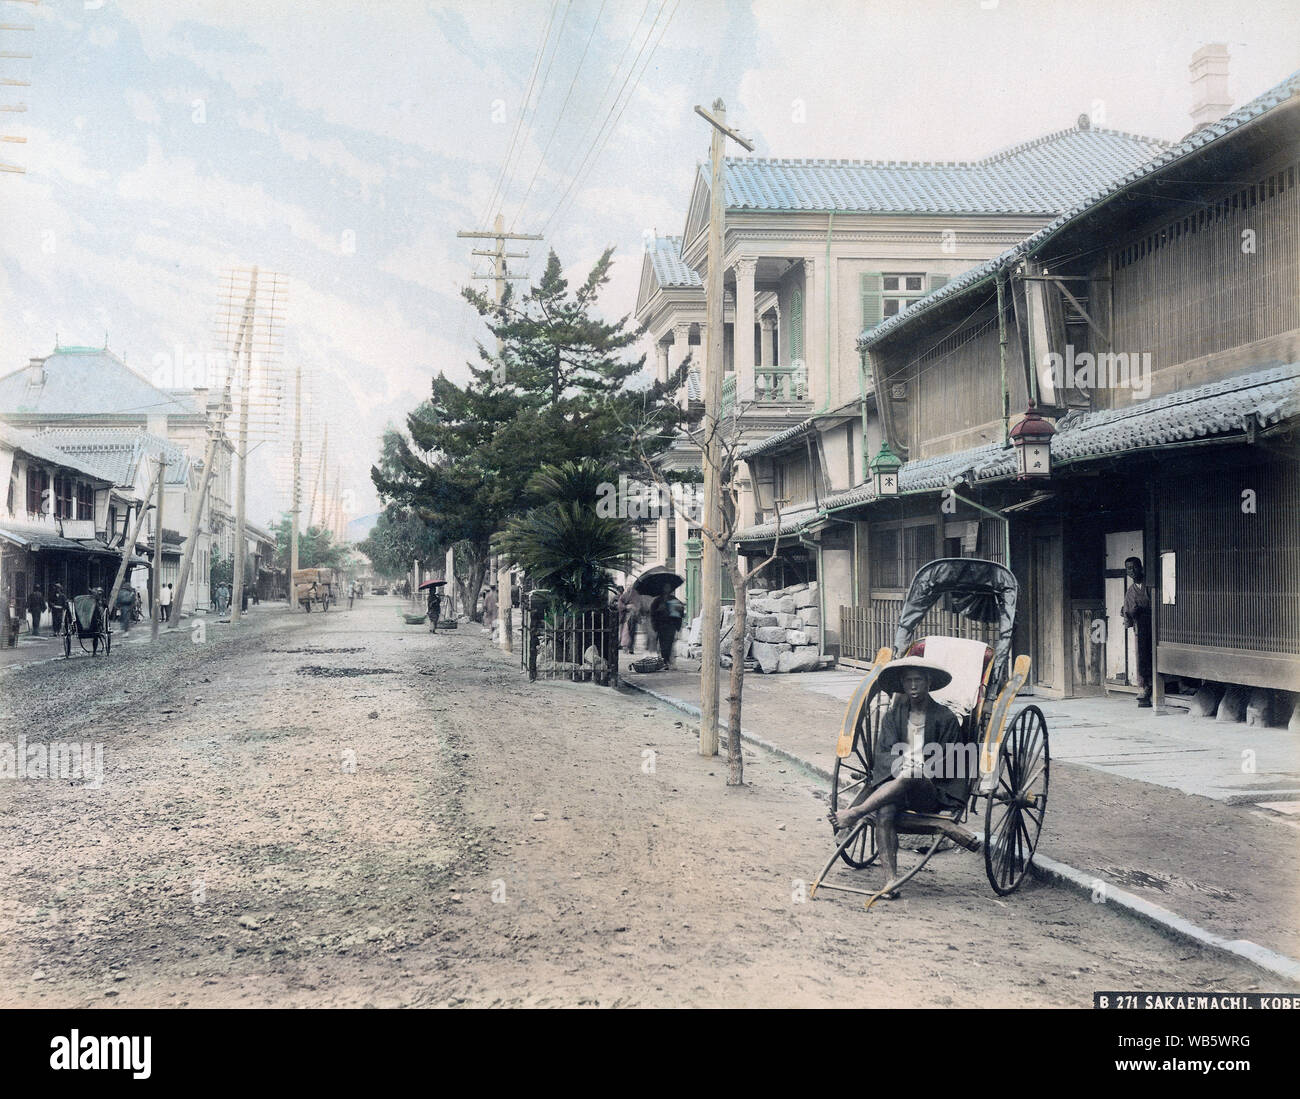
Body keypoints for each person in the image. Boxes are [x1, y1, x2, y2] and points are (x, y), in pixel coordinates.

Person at [827, 657, 980, 900]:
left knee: (912, 774)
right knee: (885, 812)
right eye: (908, 680)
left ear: (929, 682)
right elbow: (883, 754)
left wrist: (920, 767)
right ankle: (890, 881)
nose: (913, 686)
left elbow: (952, 761)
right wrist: (900, 765)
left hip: (928, 790)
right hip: (895, 783)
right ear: (902, 684)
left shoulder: (945, 717)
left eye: (918, 680)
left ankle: (855, 813)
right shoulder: (893, 717)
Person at [1122, 556, 1153, 708]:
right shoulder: (1130, 592)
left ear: (1141, 567)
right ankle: (1145, 687)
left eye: (1134, 567)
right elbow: (1127, 612)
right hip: (1140, 628)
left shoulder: (1150, 585)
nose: (1132, 571)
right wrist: (1132, 615)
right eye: (1128, 569)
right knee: (1142, 657)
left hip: (1156, 626)